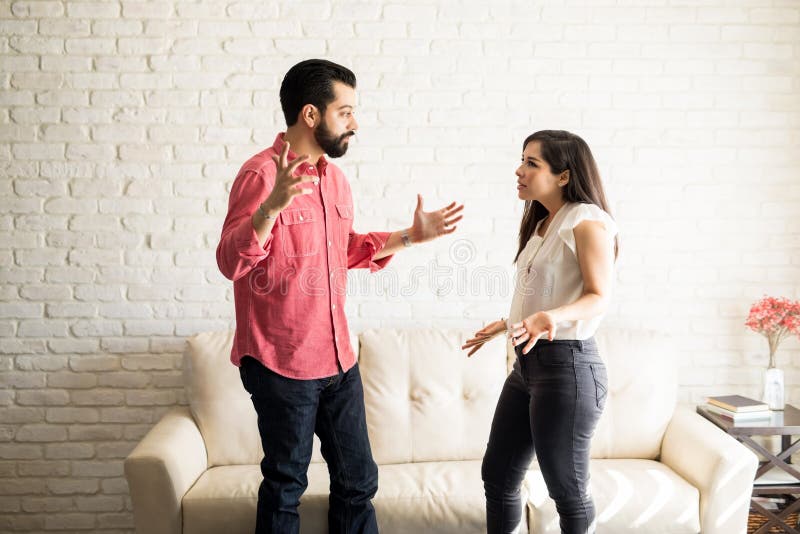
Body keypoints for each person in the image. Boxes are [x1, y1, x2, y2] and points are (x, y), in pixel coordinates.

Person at [216, 59, 464, 534]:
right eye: (345, 111)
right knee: (287, 485)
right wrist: (270, 209)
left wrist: (409, 236)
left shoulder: (334, 179)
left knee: (358, 482)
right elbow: (231, 262)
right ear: (311, 115)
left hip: (338, 360)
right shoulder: (260, 176)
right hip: (279, 361)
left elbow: (343, 251)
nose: (355, 122)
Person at [461, 130, 618, 534]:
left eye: (532, 163)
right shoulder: (544, 224)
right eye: (522, 159)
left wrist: (549, 317)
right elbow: (546, 295)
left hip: (568, 369)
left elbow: (599, 297)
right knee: (497, 476)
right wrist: (511, 323)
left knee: (567, 491)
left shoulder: (586, 221)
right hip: (528, 368)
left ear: (564, 175)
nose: (520, 170)